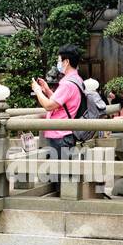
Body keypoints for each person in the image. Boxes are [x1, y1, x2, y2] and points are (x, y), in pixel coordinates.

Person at [31, 45, 85, 191]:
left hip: (60, 135)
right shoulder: (76, 80)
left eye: (59, 60)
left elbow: (49, 106)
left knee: (60, 180)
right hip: (66, 134)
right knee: (62, 176)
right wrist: (47, 90)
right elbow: (61, 104)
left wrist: (37, 91)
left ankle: (64, 208)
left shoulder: (67, 84)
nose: (58, 63)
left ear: (66, 62)